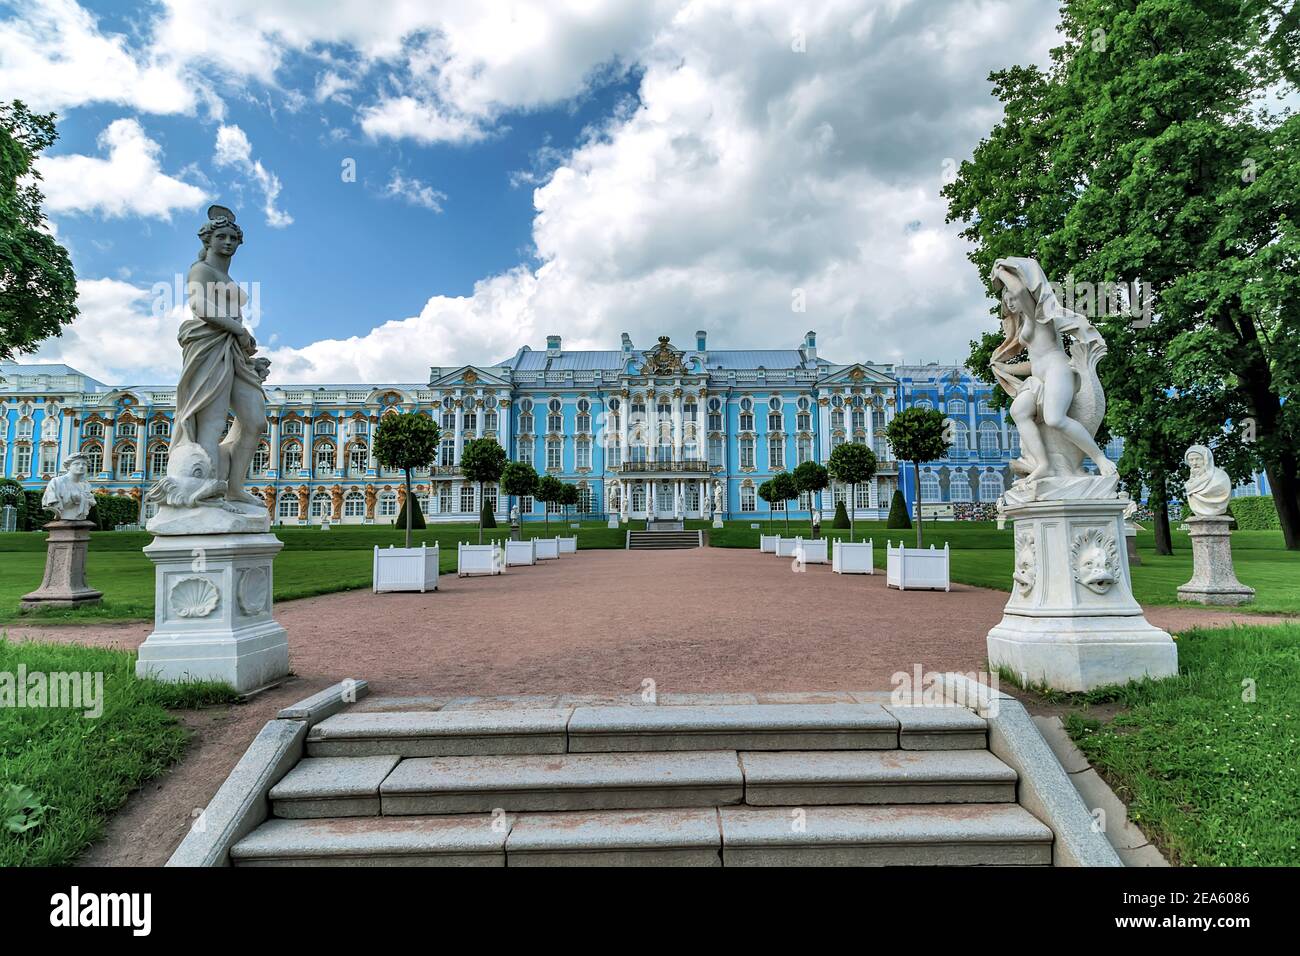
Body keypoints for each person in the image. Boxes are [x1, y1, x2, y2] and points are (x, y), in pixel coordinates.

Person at [168, 205, 267, 513]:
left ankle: (235, 487)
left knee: (255, 420)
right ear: (207, 240)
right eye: (221, 236)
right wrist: (238, 329)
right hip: (209, 344)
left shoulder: (226, 275)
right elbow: (199, 305)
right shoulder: (200, 270)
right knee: (210, 425)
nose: (227, 242)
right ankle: (207, 491)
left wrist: (245, 349)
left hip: (232, 349)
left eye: (232, 238)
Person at [989, 257, 1115, 483]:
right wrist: (1005, 367)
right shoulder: (1025, 326)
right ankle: (1044, 464)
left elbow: (1018, 289)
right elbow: (1033, 363)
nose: (1011, 304)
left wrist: (1000, 272)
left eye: (1012, 300)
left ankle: (1099, 458)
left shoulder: (1039, 315)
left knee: (1055, 418)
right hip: (1039, 377)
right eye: (1007, 302)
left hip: (1058, 369)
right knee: (1019, 411)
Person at [42, 453, 95, 521]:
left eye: (84, 464)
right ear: (68, 466)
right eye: (76, 464)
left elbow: (91, 501)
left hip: (79, 519)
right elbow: (51, 502)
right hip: (64, 516)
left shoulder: (86, 485)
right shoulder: (57, 482)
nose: (81, 466)